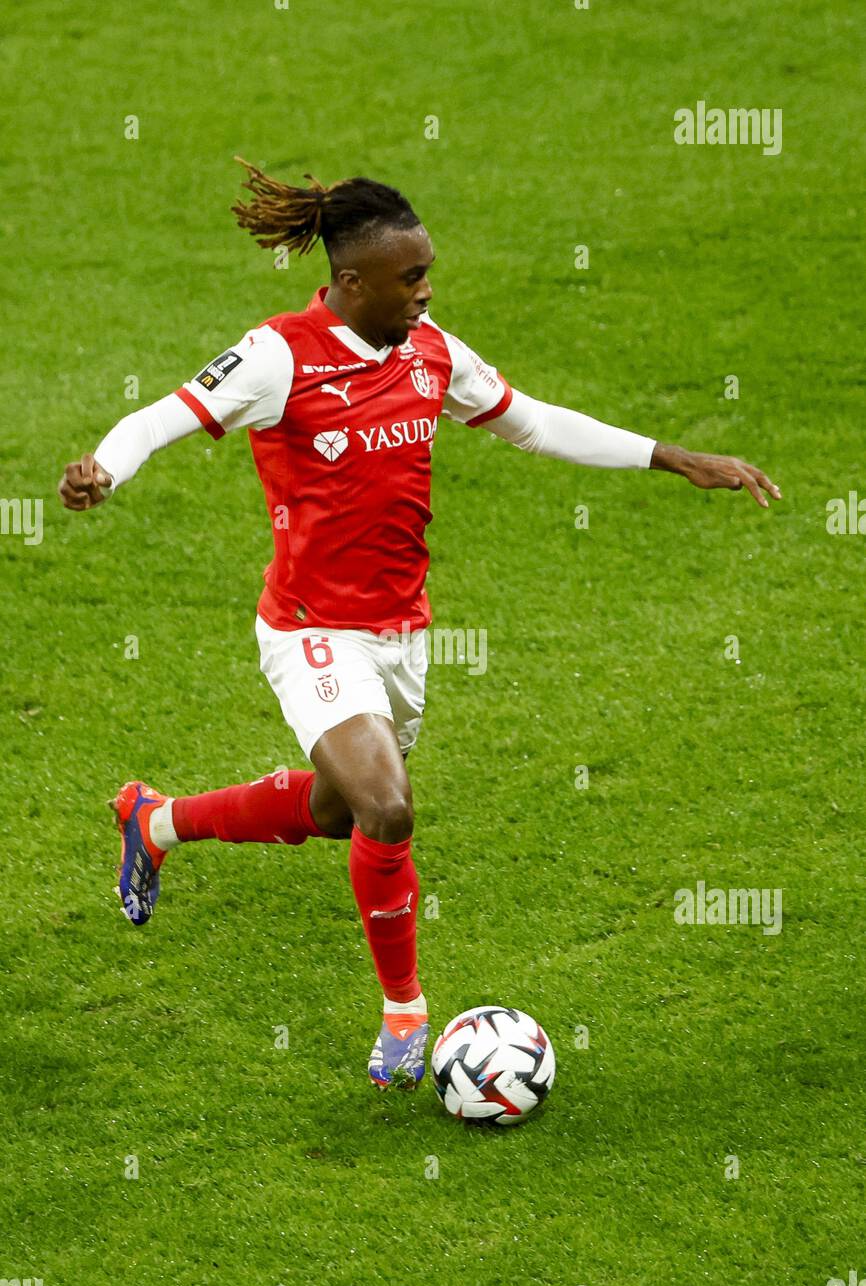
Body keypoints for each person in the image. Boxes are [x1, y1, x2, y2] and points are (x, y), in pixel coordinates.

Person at [58, 160, 781, 1089]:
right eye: (412, 277)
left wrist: (675, 457)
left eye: (428, 272)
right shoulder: (280, 355)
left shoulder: (430, 349)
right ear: (352, 283)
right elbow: (162, 417)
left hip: (403, 634)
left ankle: (154, 823)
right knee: (387, 806)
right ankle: (406, 1013)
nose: (427, 289)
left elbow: (532, 422)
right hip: (312, 629)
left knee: (334, 812)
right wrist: (104, 469)